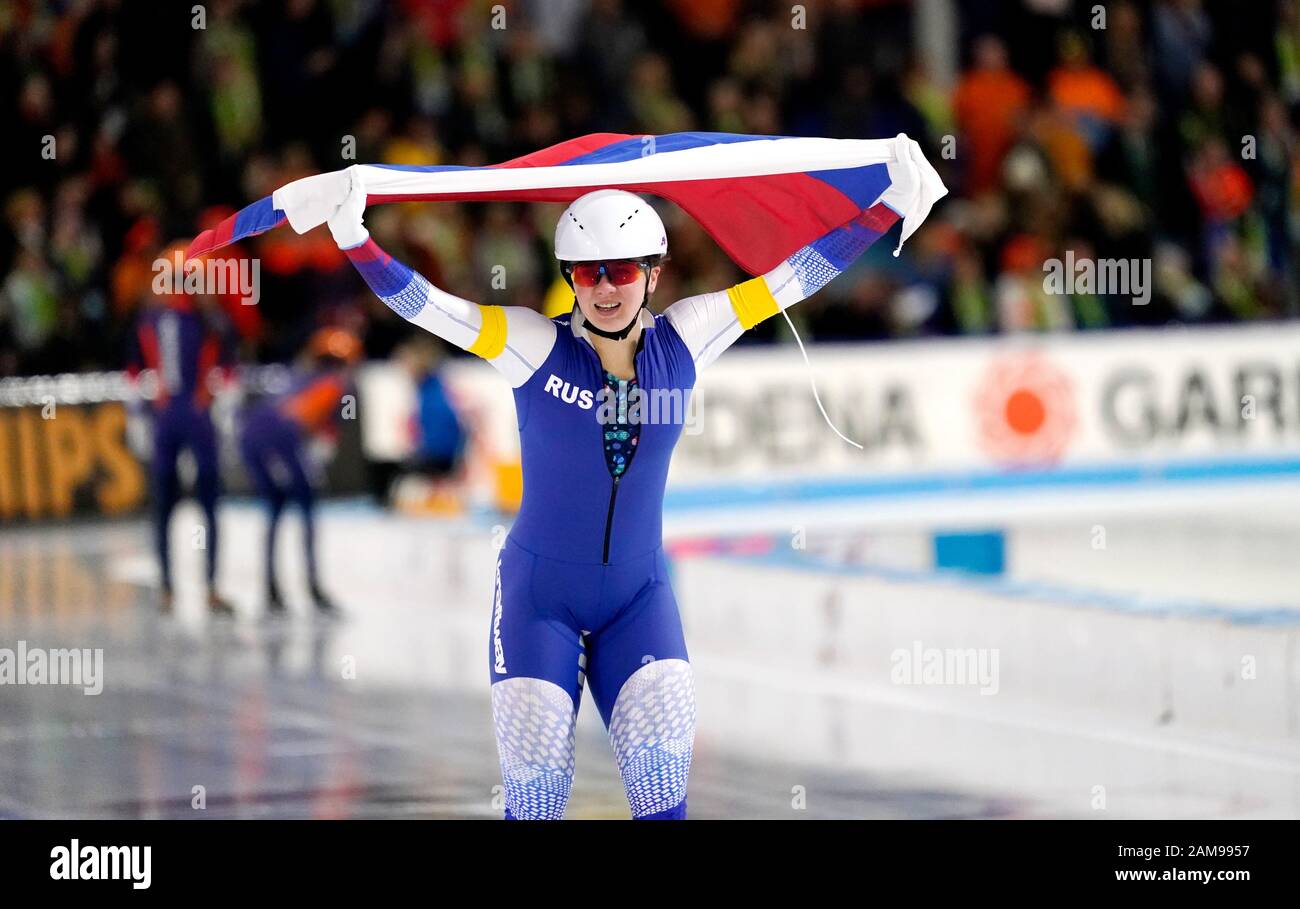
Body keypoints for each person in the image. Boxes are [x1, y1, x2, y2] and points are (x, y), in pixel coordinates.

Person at [327, 171, 901, 819]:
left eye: (622, 272)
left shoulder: (688, 335)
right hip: (539, 601)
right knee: (537, 800)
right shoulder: (531, 344)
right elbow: (433, 308)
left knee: (662, 799)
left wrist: (888, 209)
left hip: (638, 598)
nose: (604, 287)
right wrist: (357, 242)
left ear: (653, 274)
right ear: (567, 276)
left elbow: (790, 280)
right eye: (586, 272)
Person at [127, 243, 235, 617]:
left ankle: (181, 588)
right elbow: (135, 371)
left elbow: (133, 374)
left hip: (176, 418)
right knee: (186, 505)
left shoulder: (196, 320)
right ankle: (187, 587)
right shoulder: (202, 320)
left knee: (178, 505)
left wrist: (140, 409)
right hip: (186, 417)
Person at [237, 326, 359, 618]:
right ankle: (311, 588)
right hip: (282, 438)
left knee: (276, 508)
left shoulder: (296, 376)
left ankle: (272, 589)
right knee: (304, 506)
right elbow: (318, 430)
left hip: (253, 435)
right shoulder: (336, 385)